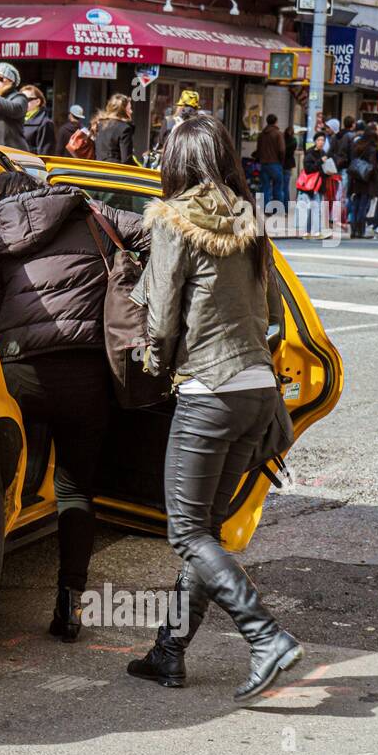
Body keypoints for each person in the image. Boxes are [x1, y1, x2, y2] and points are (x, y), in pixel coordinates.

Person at [126, 113, 302, 701]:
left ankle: (265, 635)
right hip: (258, 393)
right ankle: (169, 652)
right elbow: (273, 312)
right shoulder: (250, 219)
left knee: (186, 534)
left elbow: (163, 314)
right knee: (207, 533)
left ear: (178, 161)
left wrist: (153, 363)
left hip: (209, 392)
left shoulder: (173, 220)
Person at [0, 172, 148, 642]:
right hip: (85, 376)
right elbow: (159, 232)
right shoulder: (90, 212)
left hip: (17, 373)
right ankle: (70, 608)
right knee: (74, 490)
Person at [348, 125, 378, 240]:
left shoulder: (357, 145)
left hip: (356, 179)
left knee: (355, 205)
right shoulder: (372, 149)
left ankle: (353, 230)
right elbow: (372, 165)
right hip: (367, 180)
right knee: (363, 206)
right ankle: (360, 230)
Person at [297, 130, 330, 238]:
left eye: (323, 140)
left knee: (313, 208)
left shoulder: (324, 153)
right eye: (319, 140)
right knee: (315, 208)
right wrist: (320, 161)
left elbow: (324, 169)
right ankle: (316, 232)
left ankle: (308, 232)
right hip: (311, 186)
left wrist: (329, 172)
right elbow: (308, 169)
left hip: (320, 185)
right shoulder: (310, 153)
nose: (321, 142)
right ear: (315, 141)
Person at [92, 93, 135, 165]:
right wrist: (140, 169)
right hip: (114, 172)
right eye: (129, 108)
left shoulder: (98, 124)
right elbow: (126, 160)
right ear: (123, 111)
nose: (131, 111)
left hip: (97, 170)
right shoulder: (125, 129)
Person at [256, 114, 285, 216]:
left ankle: (266, 210)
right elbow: (282, 150)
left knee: (265, 188)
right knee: (278, 188)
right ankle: (278, 210)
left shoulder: (261, 135)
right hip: (275, 164)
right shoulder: (278, 134)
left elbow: (258, 150)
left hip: (264, 164)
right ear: (276, 122)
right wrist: (281, 162)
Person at [332, 116, 358, 222]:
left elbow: (333, 151)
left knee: (339, 193)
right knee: (346, 193)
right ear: (352, 124)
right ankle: (342, 216)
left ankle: (336, 215)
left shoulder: (337, 136)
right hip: (347, 168)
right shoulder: (352, 136)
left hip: (339, 166)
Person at [20, 85, 56, 155]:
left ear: (37, 102)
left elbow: (45, 154)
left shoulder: (45, 123)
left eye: (26, 100)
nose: (22, 102)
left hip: (29, 164)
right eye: (21, 99)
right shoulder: (17, 119)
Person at [282, 120, 298, 211]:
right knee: (286, 186)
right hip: (288, 165)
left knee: (281, 186)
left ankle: (279, 206)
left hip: (281, 164)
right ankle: (286, 207)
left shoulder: (282, 140)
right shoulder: (294, 141)